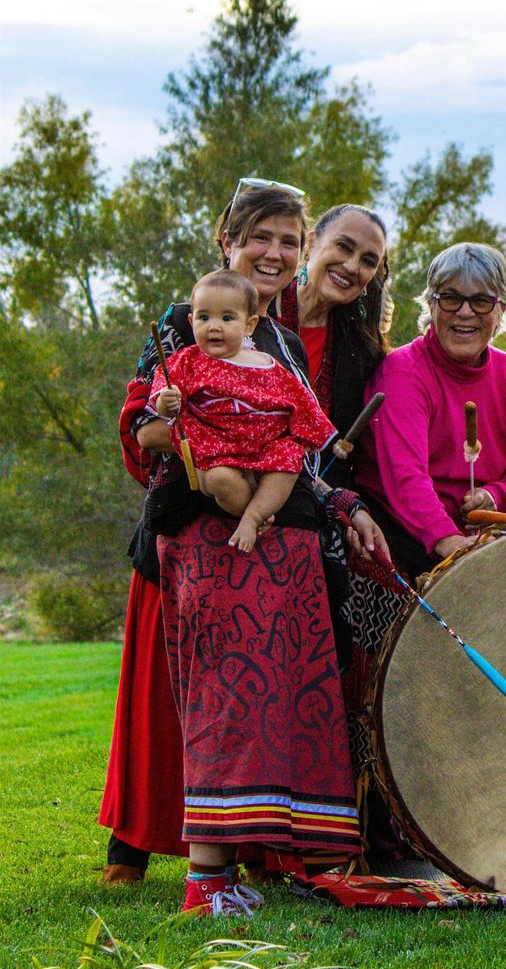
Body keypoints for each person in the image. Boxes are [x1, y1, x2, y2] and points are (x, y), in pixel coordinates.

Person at [102, 182, 389, 912]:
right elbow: (144, 435)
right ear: (226, 238)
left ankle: (244, 863)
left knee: (248, 707)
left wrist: (343, 503)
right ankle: (165, 861)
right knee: (198, 708)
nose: (275, 252)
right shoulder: (182, 323)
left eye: (289, 240)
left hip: (272, 550)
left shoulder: (286, 347)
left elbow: (307, 452)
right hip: (191, 544)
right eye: (261, 235)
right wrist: (213, 457)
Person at [356, 243, 506, 577]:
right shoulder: (402, 373)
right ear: (431, 304)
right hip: (404, 540)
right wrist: (446, 539)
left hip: (477, 540)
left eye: (481, 301)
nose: (465, 313)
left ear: (501, 310)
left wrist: (494, 496)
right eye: (450, 298)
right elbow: (405, 477)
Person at [150, 269, 337, 553]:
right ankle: (250, 513)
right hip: (217, 450)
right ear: (191, 322)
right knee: (218, 480)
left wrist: (317, 436)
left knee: (288, 459)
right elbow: (161, 396)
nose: (214, 326)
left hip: (266, 445)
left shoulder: (266, 363)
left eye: (227, 318)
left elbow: (298, 401)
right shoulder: (187, 362)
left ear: (249, 325)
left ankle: (254, 516)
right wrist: (167, 402)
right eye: (204, 317)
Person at [271, 203, 389, 486]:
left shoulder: (362, 353)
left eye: (368, 261)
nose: (351, 267)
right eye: (344, 247)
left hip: (312, 508)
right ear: (310, 243)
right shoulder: (253, 313)